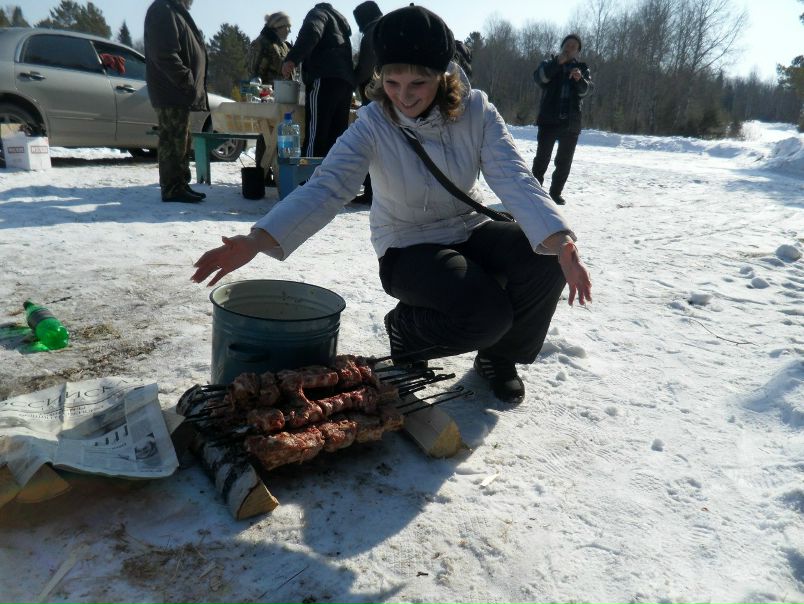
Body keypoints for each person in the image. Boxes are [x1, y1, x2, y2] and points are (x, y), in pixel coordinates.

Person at [191, 6, 592, 405]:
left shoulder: (476, 111)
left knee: (543, 259)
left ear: (442, 75)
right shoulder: (372, 123)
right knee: (486, 314)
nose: (404, 95)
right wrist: (258, 238)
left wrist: (560, 240)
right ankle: (407, 330)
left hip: (469, 228)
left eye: (418, 82)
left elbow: (514, 177)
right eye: (392, 82)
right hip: (408, 245)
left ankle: (498, 357)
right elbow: (326, 188)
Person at [144, 0, 208, 203]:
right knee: (173, 141)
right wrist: (186, 79)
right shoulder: (163, 10)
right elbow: (164, 54)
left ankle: (180, 184)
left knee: (182, 140)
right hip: (171, 89)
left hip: (177, 91)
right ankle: (172, 188)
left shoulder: (173, 11)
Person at [280, 3, 353, 158]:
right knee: (337, 138)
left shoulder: (318, 13)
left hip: (324, 77)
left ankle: (310, 172)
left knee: (317, 133)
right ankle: (334, 172)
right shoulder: (341, 24)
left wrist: (292, 58)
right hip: (345, 81)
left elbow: (312, 31)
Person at [531, 34, 593, 206]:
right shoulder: (548, 63)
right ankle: (534, 191)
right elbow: (539, 79)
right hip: (548, 121)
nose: (569, 48)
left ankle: (556, 193)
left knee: (564, 162)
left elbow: (587, 91)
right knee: (542, 158)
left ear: (578, 52)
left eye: (574, 47)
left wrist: (580, 80)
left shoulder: (582, 69)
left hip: (571, 123)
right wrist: (556, 64)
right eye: (567, 45)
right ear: (562, 46)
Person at [248, 11, 293, 185]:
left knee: (280, 134)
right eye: (287, 27)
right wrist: (261, 92)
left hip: (284, 96)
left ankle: (277, 171)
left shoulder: (284, 45)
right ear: (278, 27)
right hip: (267, 96)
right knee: (266, 133)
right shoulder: (261, 43)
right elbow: (254, 72)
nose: (289, 30)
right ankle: (263, 173)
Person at [351, 0, 383, 205]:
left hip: (375, 95)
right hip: (390, 94)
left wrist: (352, 80)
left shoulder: (371, 33)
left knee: (374, 143)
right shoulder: (388, 27)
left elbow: (366, 69)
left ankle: (371, 192)